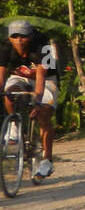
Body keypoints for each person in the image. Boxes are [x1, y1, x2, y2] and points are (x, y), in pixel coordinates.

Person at [0, 19, 58, 178]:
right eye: (15, 36)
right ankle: (14, 125)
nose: (19, 40)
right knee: (10, 93)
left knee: (44, 113)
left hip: (46, 79)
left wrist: (38, 101)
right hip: (19, 77)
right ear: (10, 38)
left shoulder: (43, 46)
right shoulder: (5, 47)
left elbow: (40, 76)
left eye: (23, 36)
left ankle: (47, 161)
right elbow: (1, 76)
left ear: (31, 36)